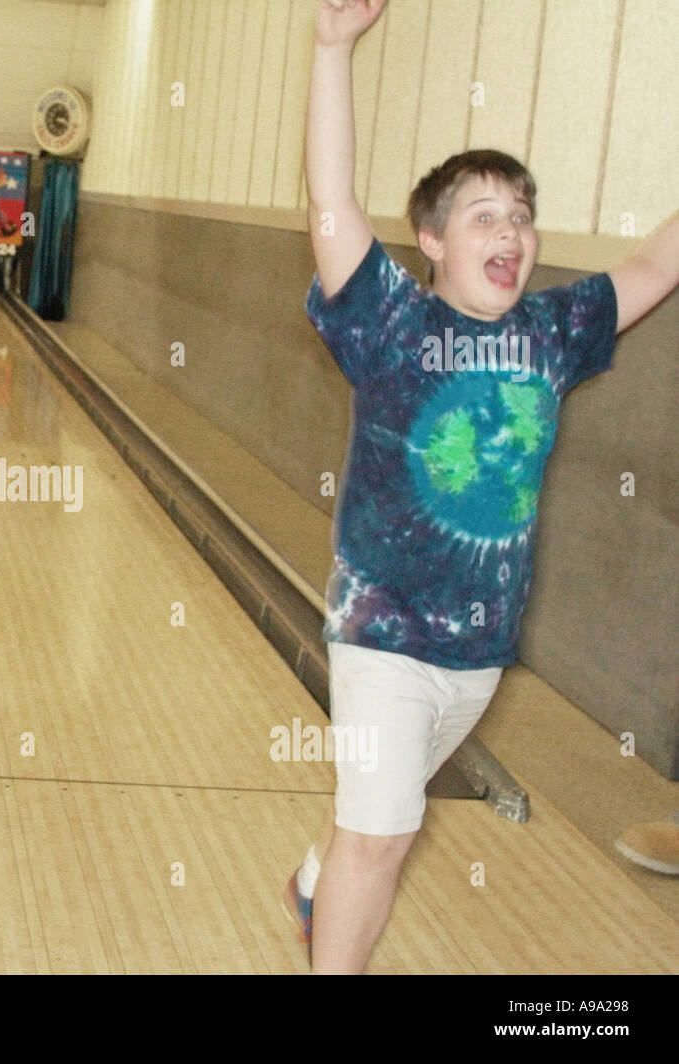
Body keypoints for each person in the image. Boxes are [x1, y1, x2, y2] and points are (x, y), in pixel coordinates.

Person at [288, 0, 679, 974]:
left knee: (374, 828)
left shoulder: (552, 331)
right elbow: (330, 206)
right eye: (483, 214)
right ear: (429, 238)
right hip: (378, 634)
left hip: (477, 655)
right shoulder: (390, 324)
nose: (511, 230)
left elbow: (657, 260)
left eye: (521, 215)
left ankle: (313, 879)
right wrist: (331, 50)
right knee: (381, 837)